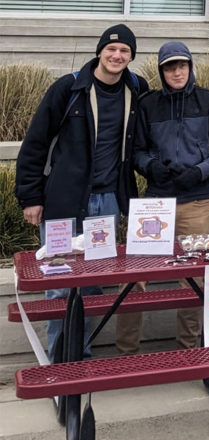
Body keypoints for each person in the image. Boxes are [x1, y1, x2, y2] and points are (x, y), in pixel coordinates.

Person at [15, 24, 148, 362]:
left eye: (124, 52)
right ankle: (61, 363)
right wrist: (31, 198)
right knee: (60, 285)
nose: (117, 56)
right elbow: (35, 144)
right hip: (63, 203)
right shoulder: (68, 88)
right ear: (100, 50)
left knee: (93, 284)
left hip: (106, 203)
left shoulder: (137, 89)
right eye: (112, 49)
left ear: (131, 56)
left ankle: (82, 358)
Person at [126, 41, 209, 353]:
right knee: (134, 277)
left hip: (198, 201)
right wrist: (150, 167)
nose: (176, 71)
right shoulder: (148, 105)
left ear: (190, 67)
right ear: (161, 71)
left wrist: (199, 172)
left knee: (193, 278)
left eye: (182, 65)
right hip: (155, 202)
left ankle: (187, 349)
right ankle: (126, 351)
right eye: (170, 66)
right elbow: (137, 150)